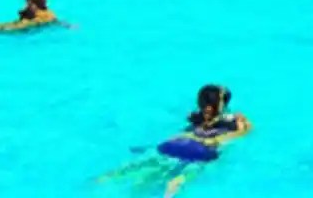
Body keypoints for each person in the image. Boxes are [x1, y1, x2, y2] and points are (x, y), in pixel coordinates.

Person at [100, 85, 250, 198]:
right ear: (215, 108)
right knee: (180, 178)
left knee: (143, 168)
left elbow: (179, 135)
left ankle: (108, 177)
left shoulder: (194, 118)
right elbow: (241, 133)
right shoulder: (233, 123)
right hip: (201, 153)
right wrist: (242, 124)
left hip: (175, 145)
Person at [0, 0, 65, 32]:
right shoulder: (33, 12)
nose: (26, 6)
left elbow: (23, 25)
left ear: (36, 4)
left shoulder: (45, 15)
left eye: (29, 4)